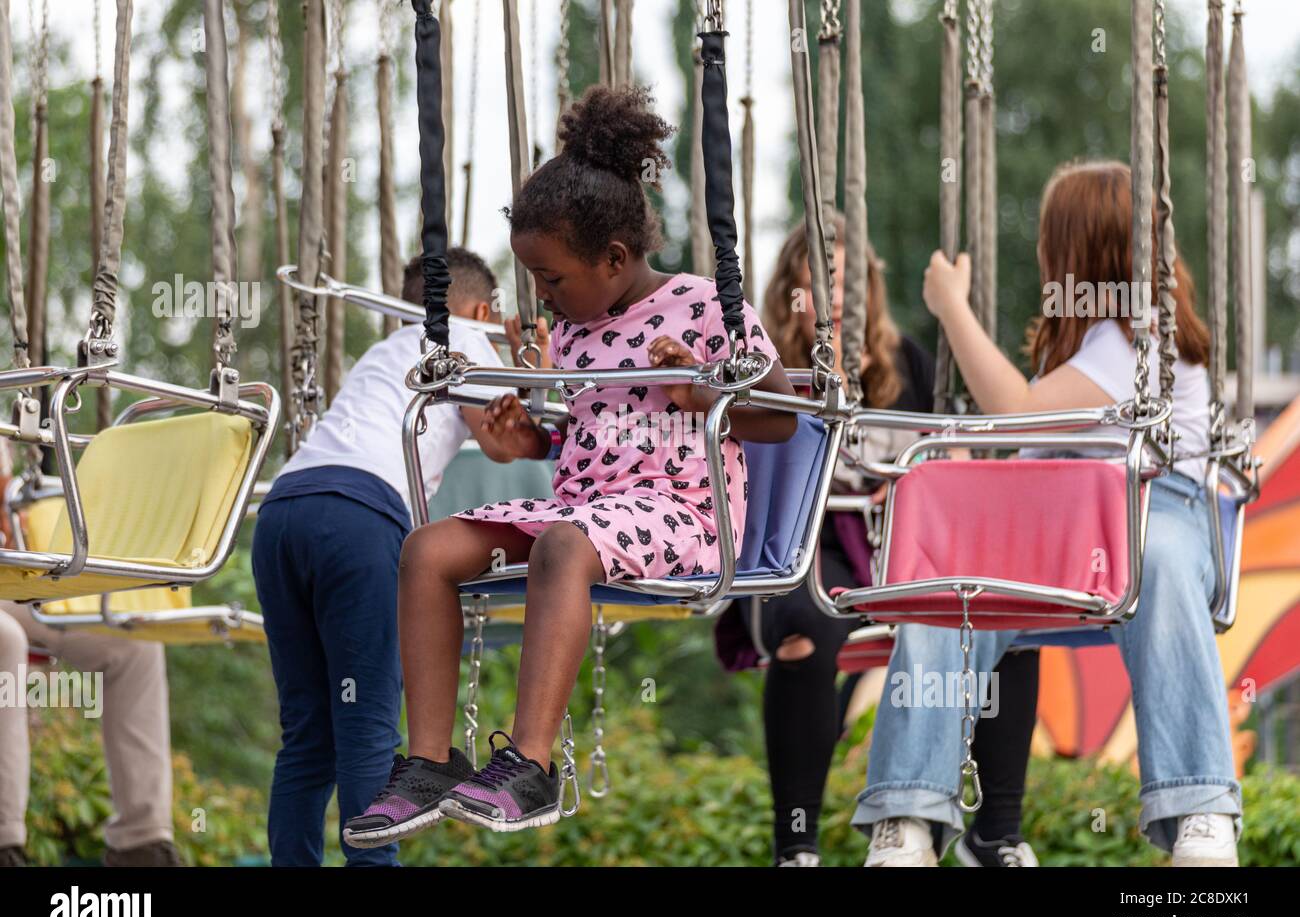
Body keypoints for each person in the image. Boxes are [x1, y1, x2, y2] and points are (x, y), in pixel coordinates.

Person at [344, 85, 796, 842]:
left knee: (562, 544)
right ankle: (428, 760)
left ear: (615, 257)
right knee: (426, 550)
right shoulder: (576, 332)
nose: (545, 296)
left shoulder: (707, 307)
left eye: (553, 279)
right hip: (584, 513)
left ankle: (530, 763)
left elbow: (783, 418)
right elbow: (577, 436)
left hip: (680, 516)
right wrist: (528, 440)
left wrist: (700, 388)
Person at [860, 160, 1241, 867]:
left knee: (1152, 564)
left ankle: (1200, 803)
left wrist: (952, 308)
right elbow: (1026, 443)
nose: (1042, 254)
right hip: (1067, 531)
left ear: (1080, 250)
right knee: (950, 591)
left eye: (1049, 239)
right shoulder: (1085, 346)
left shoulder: (1142, 340)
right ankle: (908, 813)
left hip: (1158, 508)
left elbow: (1016, 412)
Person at [734, 216, 1041, 867]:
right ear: (794, 289)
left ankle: (997, 831)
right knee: (805, 633)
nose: (836, 300)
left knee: (1005, 618)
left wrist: (917, 479)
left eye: (849, 285)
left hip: (898, 544)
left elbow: (947, 451)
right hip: (805, 545)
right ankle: (797, 842)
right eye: (819, 284)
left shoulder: (905, 363)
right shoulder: (768, 368)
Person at [253, 246, 511, 866]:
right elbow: (507, 442)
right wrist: (538, 362)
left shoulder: (380, 354)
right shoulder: (467, 341)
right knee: (367, 725)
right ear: (480, 309)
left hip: (284, 514)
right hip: (357, 521)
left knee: (309, 735)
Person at [0, 599, 179, 867]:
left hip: (19, 583)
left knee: (134, 643)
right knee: (5, 639)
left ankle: (143, 845)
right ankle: (5, 844)